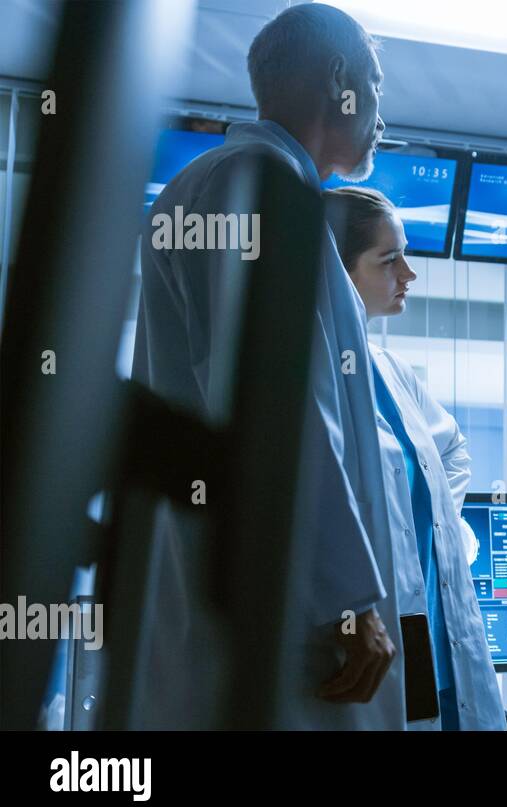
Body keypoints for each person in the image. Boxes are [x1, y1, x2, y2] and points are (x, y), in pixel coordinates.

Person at [132, 4, 407, 728]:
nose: (382, 106)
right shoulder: (252, 184)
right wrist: (346, 600)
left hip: (258, 601)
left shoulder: (249, 186)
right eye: (375, 79)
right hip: (280, 617)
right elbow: (282, 411)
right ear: (341, 78)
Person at [323, 186, 505, 730]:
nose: (409, 272)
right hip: (372, 633)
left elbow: (452, 450)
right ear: (338, 270)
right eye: (389, 258)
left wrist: (428, 521)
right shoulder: (311, 372)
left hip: (437, 627)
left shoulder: (393, 373)